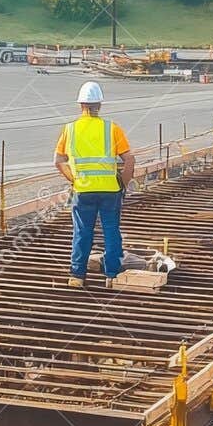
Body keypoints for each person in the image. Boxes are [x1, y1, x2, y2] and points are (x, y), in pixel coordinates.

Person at [55, 81, 136, 286]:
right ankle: (112, 275)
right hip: (110, 191)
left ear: (80, 105)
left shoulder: (70, 129)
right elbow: (129, 160)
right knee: (111, 231)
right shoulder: (112, 129)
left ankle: (77, 276)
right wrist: (122, 185)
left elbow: (58, 161)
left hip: (83, 191)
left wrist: (74, 180)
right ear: (99, 105)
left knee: (82, 232)